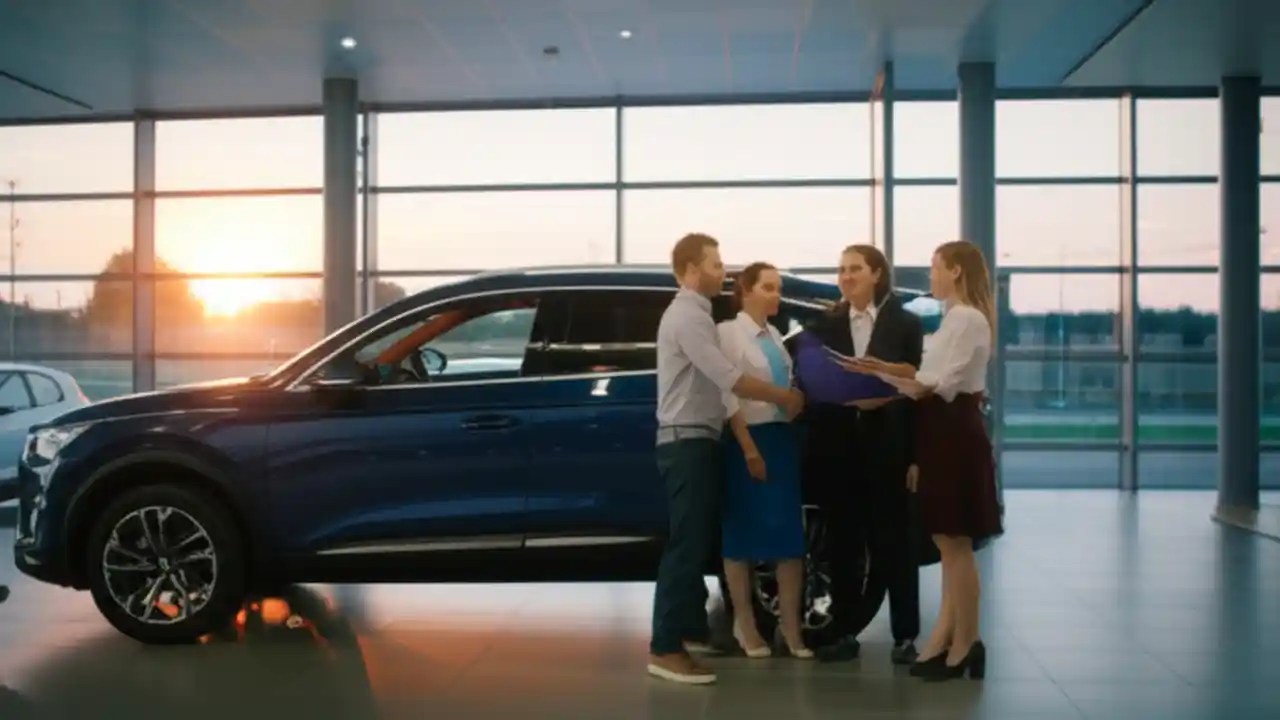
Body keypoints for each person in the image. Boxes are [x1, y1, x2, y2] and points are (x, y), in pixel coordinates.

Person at [838, 240, 1002, 682]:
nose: (929, 275)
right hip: (944, 430)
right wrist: (885, 372)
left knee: (955, 545)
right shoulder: (957, 318)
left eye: (935, 268)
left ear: (956, 272)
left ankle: (964, 643)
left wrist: (883, 377)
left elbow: (938, 383)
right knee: (950, 545)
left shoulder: (965, 318)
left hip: (952, 431)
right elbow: (929, 380)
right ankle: (948, 639)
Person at [649, 233, 805, 685]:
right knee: (685, 546)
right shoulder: (689, 318)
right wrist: (783, 396)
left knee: (695, 541)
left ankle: (687, 632)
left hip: (698, 438)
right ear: (693, 269)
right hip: (688, 440)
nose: (723, 271)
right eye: (716, 264)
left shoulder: (697, 315)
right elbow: (728, 378)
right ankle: (665, 648)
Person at [801, 245, 924, 665]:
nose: (846, 276)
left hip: (889, 445)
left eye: (855, 268)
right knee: (843, 545)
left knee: (896, 544)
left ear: (876, 274)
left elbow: (919, 394)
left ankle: (905, 636)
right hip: (838, 447)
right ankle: (844, 631)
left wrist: (915, 457)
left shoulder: (906, 325)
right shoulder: (825, 325)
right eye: (841, 269)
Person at [716, 262, 813, 661]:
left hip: (780, 439)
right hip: (747, 441)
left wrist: (797, 400)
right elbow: (726, 393)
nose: (776, 294)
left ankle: (790, 629)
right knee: (741, 535)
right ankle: (746, 623)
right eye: (769, 287)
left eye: (779, 287)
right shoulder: (728, 333)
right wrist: (747, 447)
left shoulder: (774, 335)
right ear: (746, 290)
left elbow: (785, 388)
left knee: (790, 541)